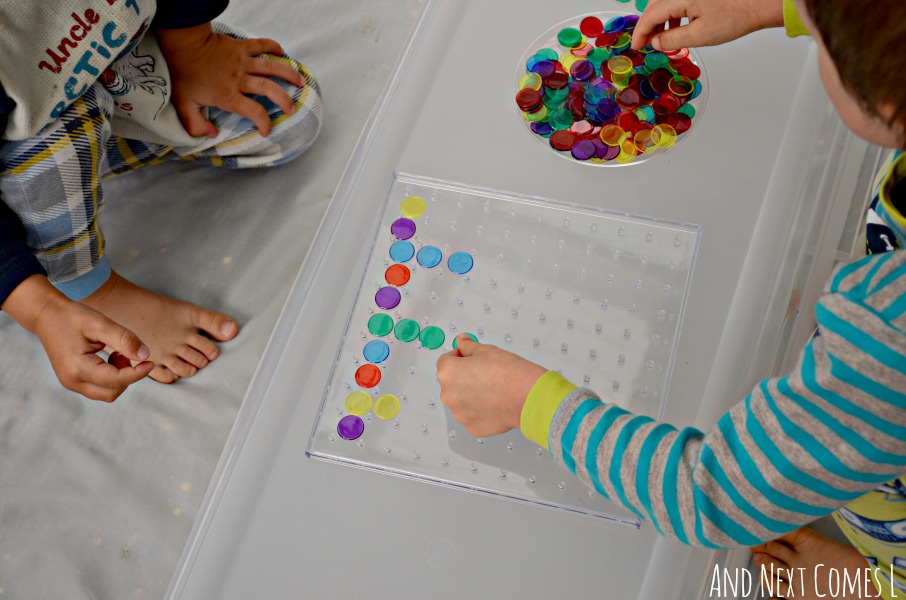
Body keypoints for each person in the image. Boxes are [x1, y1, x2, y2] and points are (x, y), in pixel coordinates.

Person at [436, 0, 905, 597]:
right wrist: (777, 10)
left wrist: (525, 400)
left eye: (820, 41)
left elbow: (716, 495)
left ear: (884, 101)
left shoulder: (890, 341)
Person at [0, 0, 322, 402]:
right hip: (32, 126)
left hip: (96, 60)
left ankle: (87, 154)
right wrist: (42, 309)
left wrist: (192, 49)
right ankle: (87, 286)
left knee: (288, 112)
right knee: (60, 140)